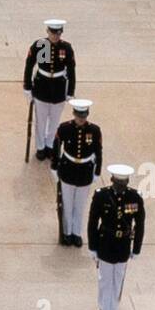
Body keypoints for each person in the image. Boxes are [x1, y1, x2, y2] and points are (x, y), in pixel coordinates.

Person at [87, 164, 145, 310]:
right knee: (105, 280)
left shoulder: (135, 198)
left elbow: (139, 224)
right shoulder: (102, 196)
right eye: (118, 183)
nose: (120, 187)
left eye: (123, 184)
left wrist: (136, 248)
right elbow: (93, 222)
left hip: (122, 245)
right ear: (112, 180)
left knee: (117, 280)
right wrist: (93, 246)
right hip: (105, 243)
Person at [51, 98, 102, 246]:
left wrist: (97, 171)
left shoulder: (94, 130)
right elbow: (56, 147)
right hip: (68, 169)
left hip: (85, 171)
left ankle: (76, 233)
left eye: (84, 116)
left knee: (79, 206)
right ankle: (66, 233)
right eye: (79, 116)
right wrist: (54, 167)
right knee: (67, 204)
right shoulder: (64, 128)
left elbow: (98, 152)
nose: (81, 119)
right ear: (74, 114)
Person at [23, 18, 75, 161]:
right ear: (47, 31)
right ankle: (40, 147)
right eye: (53, 33)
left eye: (58, 33)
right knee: (40, 120)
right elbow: (29, 66)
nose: (55, 36)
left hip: (59, 88)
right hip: (42, 87)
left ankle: (50, 145)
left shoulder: (66, 48)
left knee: (54, 121)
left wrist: (70, 92)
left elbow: (71, 71)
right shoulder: (40, 45)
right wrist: (27, 87)